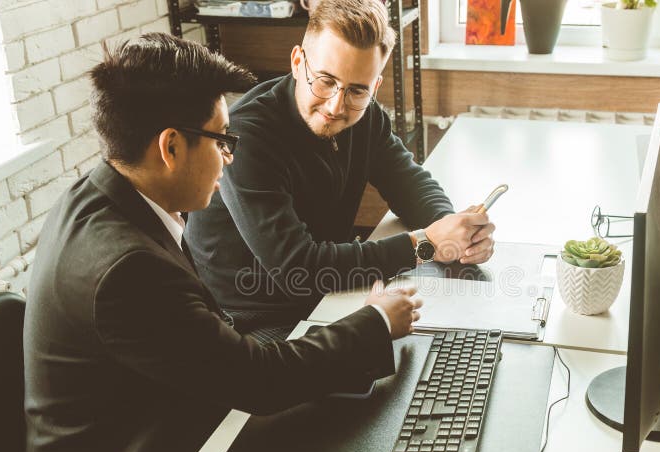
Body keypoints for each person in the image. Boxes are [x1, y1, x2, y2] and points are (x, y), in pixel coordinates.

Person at [22, 33, 420, 452]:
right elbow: (256, 379)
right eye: (222, 139)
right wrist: (377, 322)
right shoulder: (128, 270)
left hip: (151, 427)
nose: (230, 157)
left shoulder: (99, 194)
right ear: (171, 146)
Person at [185, 0, 496, 337]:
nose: (336, 105)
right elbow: (299, 270)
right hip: (250, 319)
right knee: (385, 372)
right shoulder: (247, 138)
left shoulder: (366, 116)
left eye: (357, 90)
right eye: (325, 81)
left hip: (326, 293)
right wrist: (426, 243)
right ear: (297, 62)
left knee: (451, 336)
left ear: (374, 87)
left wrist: (455, 231)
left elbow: (410, 184)